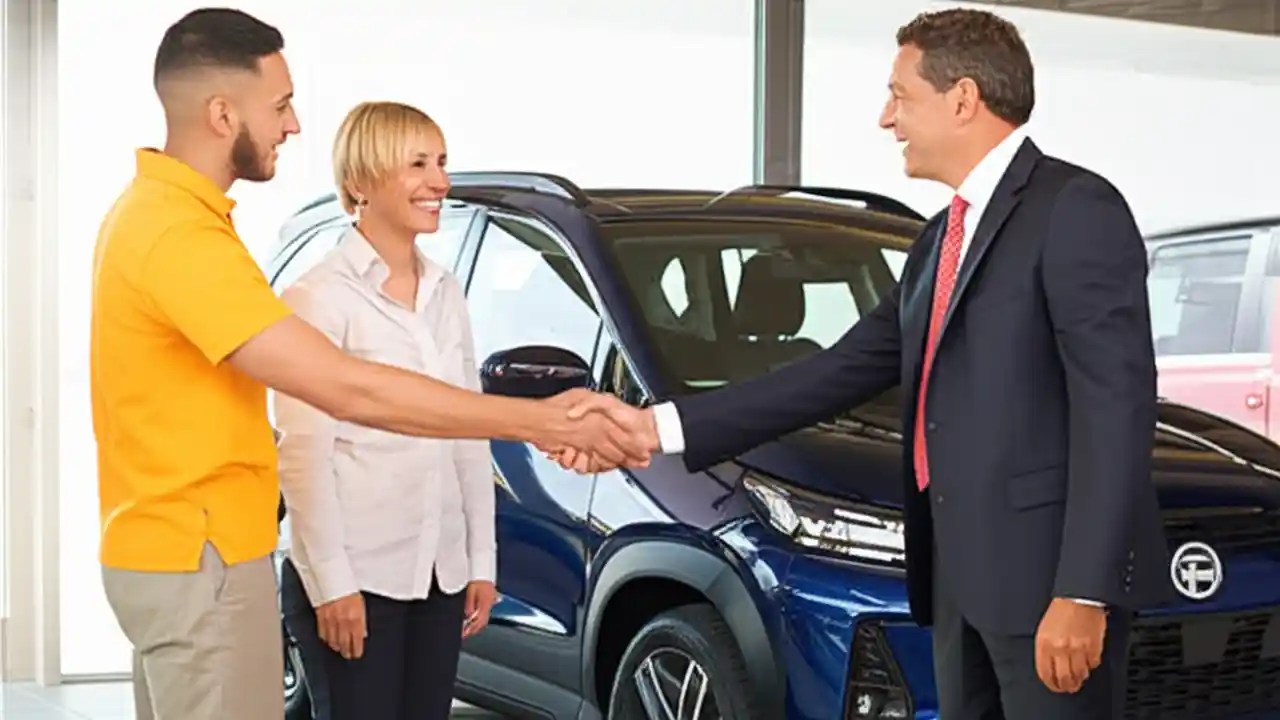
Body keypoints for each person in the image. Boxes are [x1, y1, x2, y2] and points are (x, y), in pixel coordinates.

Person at [556, 8, 1173, 719]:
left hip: (1046, 589)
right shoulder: (941, 240)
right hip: (959, 586)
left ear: (963, 99)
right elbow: (833, 374)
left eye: (900, 95)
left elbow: (1114, 410)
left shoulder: (1075, 209)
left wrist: (1085, 592)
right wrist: (651, 428)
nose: (887, 118)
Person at [90, 9, 647, 720]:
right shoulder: (179, 236)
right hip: (202, 554)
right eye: (280, 106)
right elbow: (343, 390)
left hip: (185, 551)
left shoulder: (166, 217)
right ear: (223, 114)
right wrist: (544, 421)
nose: (293, 126)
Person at [274, 101, 494, 720]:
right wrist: (332, 585)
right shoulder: (318, 298)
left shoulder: (446, 292)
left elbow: (468, 430)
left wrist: (480, 561)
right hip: (356, 578)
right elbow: (304, 459)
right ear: (360, 183)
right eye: (418, 164)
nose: (440, 182)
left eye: (442, 162)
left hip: (438, 575)